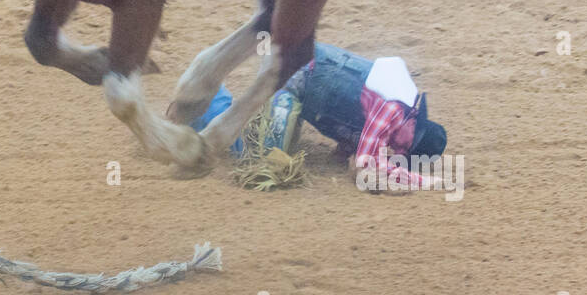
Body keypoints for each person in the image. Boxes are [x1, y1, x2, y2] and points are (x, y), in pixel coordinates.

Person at [190, 43, 449, 192]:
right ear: (414, 120)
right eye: (407, 144)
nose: (399, 148)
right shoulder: (393, 109)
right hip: (292, 75)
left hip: (304, 70)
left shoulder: (400, 103)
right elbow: (366, 164)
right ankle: (205, 99)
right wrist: (425, 182)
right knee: (260, 158)